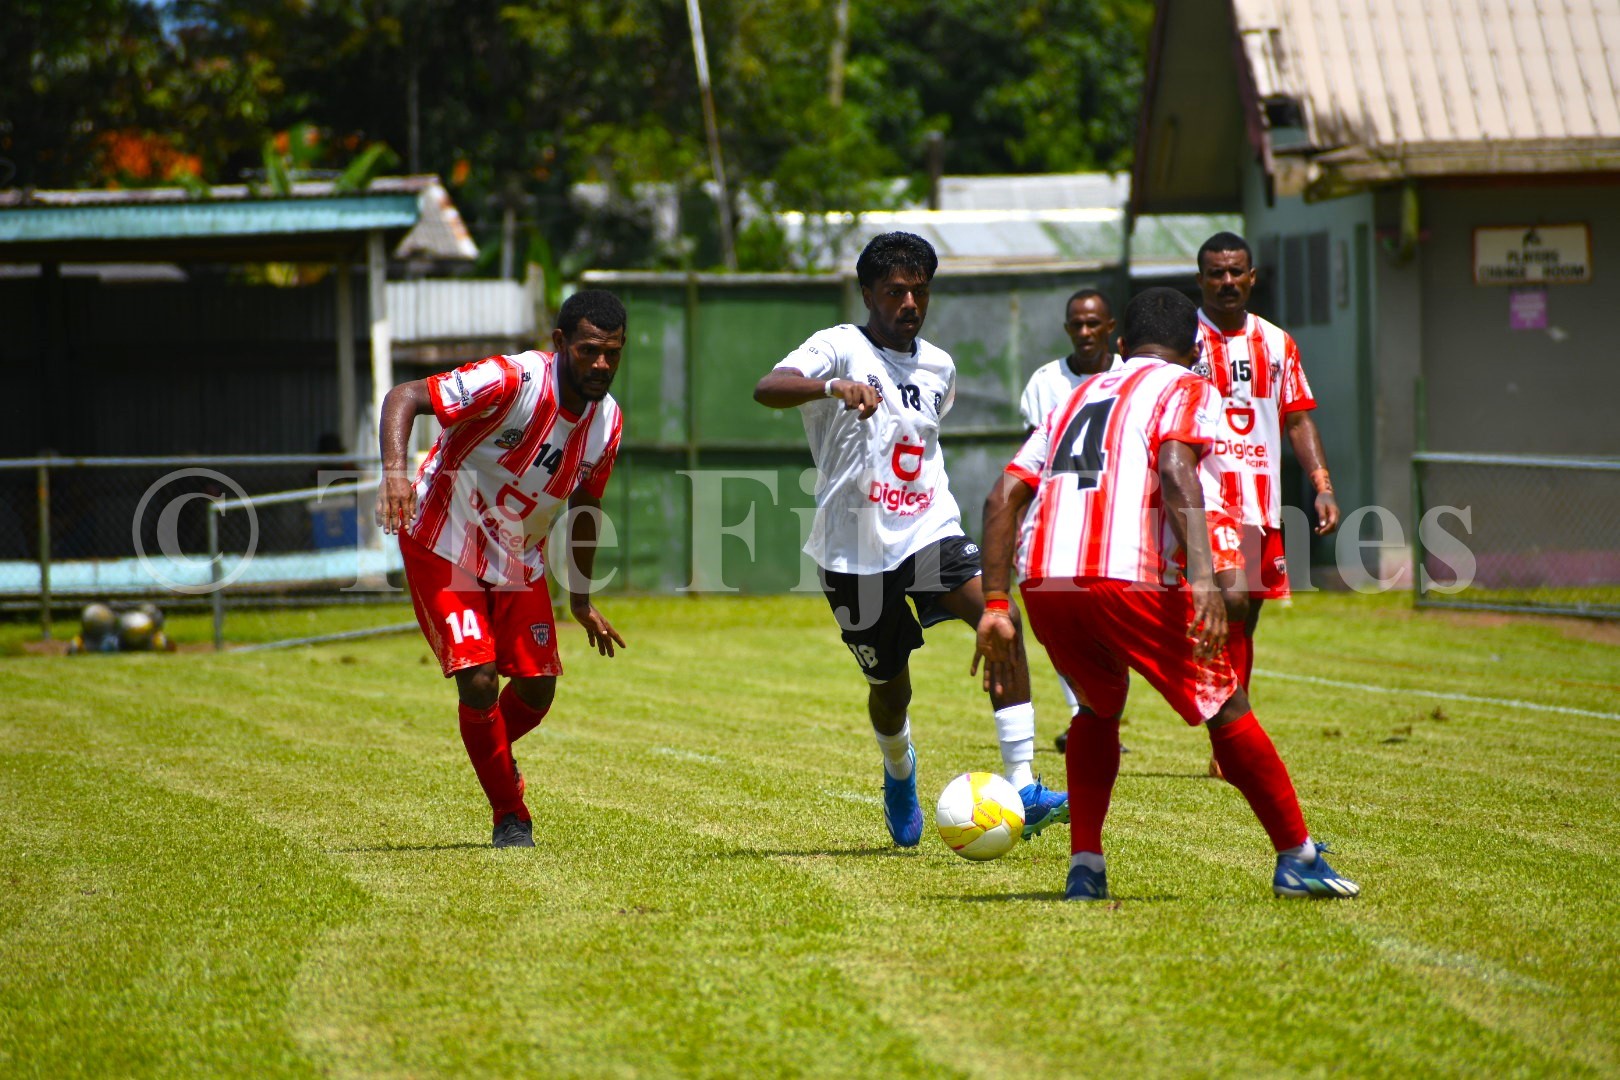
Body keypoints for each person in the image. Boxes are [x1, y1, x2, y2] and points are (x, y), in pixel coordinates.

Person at [974, 286, 1359, 901]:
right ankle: (1298, 856)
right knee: (1225, 705)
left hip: (1045, 579)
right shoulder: (1187, 388)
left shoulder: (1076, 395)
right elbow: (1178, 471)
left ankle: (1086, 867)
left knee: (1098, 709)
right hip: (1124, 576)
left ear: (1122, 345)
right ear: (1197, 351)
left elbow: (1002, 498)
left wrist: (996, 605)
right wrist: (1206, 578)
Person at [753, 231, 1068, 848]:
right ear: (868, 293)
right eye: (895, 290)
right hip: (853, 553)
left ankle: (1024, 784)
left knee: (999, 617)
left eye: (919, 291)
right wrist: (828, 387)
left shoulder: (939, 366)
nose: (909, 303)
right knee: (890, 688)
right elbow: (768, 387)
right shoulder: (838, 347)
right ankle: (899, 770)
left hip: (930, 531)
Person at [376, 290, 628, 849]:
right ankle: (510, 815)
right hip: (444, 540)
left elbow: (586, 508)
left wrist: (581, 600)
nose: (602, 364)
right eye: (590, 351)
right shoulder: (510, 380)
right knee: (481, 678)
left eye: (613, 352)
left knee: (538, 689)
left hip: (519, 554)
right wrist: (395, 474)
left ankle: (486, 748)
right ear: (561, 344)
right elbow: (405, 396)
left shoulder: (607, 423)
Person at [1194, 232, 1340, 778]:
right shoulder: (1182, 341)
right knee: (1230, 602)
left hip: (1261, 503)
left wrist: (1322, 484)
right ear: (1201, 279)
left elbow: (1298, 418)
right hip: (1202, 499)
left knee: (1244, 618)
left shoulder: (1277, 344)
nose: (1227, 282)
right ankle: (1226, 732)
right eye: (1216, 273)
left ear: (1252, 277)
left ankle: (1228, 734)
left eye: (1236, 272)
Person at [1018, 288, 1123, 754]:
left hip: (1118, 518)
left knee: (1110, 629)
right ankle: (1087, 712)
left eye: (1093, 324)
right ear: (1067, 329)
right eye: (1076, 325)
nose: (1084, 333)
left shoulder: (1132, 376)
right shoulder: (1045, 382)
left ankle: (1098, 710)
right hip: (1059, 520)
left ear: (1110, 326)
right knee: (1062, 625)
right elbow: (1029, 458)